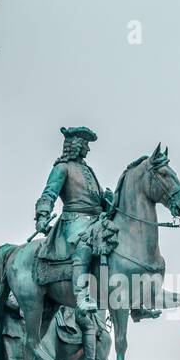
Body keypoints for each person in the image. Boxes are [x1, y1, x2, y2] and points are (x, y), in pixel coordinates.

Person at [35, 127, 114, 312]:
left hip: (96, 219)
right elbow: (49, 194)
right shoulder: (62, 168)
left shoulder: (88, 170)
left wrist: (109, 200)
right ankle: (82, 295)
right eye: (86, 144)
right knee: (84, 244)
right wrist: (42, 215)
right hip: (74, 220)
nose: (88, 149)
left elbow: (97, 197)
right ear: (77, 146)